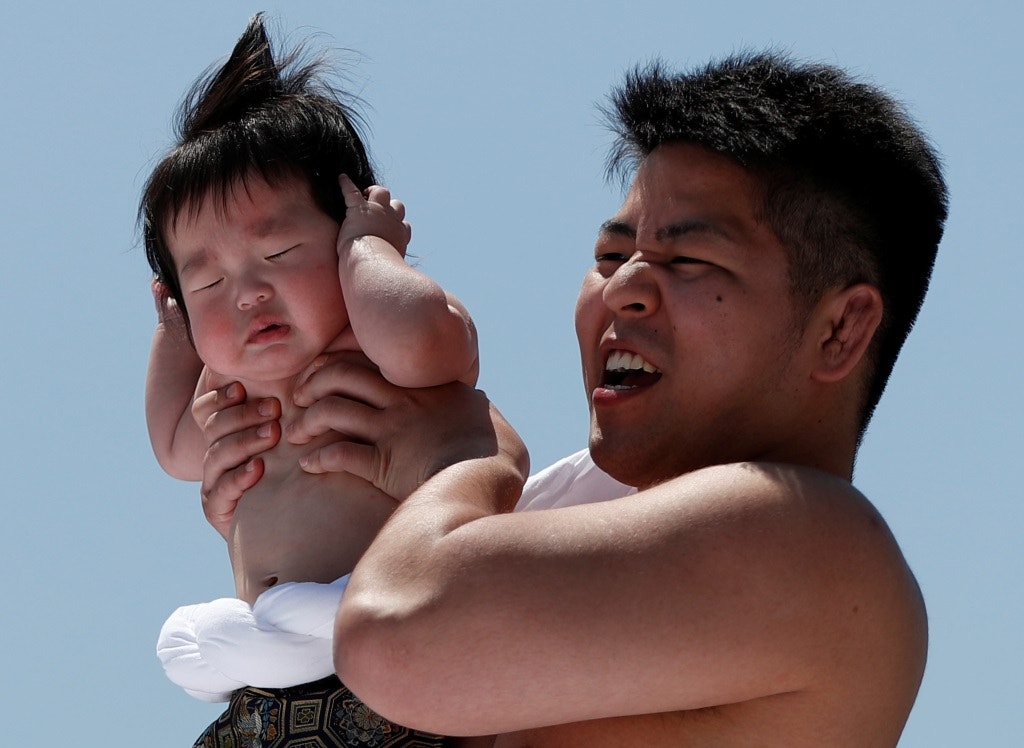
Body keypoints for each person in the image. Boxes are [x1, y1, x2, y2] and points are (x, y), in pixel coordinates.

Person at [200, 51, 947, 745]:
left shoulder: (815, 537)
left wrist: (456, 454)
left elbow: (397, 630)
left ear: (840, 329)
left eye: (685, 258)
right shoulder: (575, 530)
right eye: (612, 256)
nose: (622, 289)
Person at [140, 15, 481, 747]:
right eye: (206, 283)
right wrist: (176, 333)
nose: (246, 293)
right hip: (265, 698)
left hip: (396, 677)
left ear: (347, 225)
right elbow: (173, 447)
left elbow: (427, 337)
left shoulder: (379, 352)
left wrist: (371, 252)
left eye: (281, 250)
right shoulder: (230, 398)